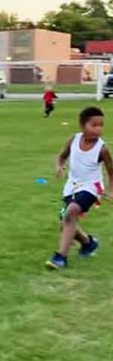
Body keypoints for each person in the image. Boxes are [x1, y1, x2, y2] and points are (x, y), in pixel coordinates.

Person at [46, 106, 112, 270]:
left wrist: (110, 190)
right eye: (94, 125)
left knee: (70, 213)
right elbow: (62, 156)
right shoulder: (74, 140)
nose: (98, 129)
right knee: (66, 222)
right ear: (82, 125)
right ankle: (88, 244)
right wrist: (59, 166)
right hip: (72, 187)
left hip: (91, 188)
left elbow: (111, 171)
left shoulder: (102, 149)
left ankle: (60, 257)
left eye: (101, 125)